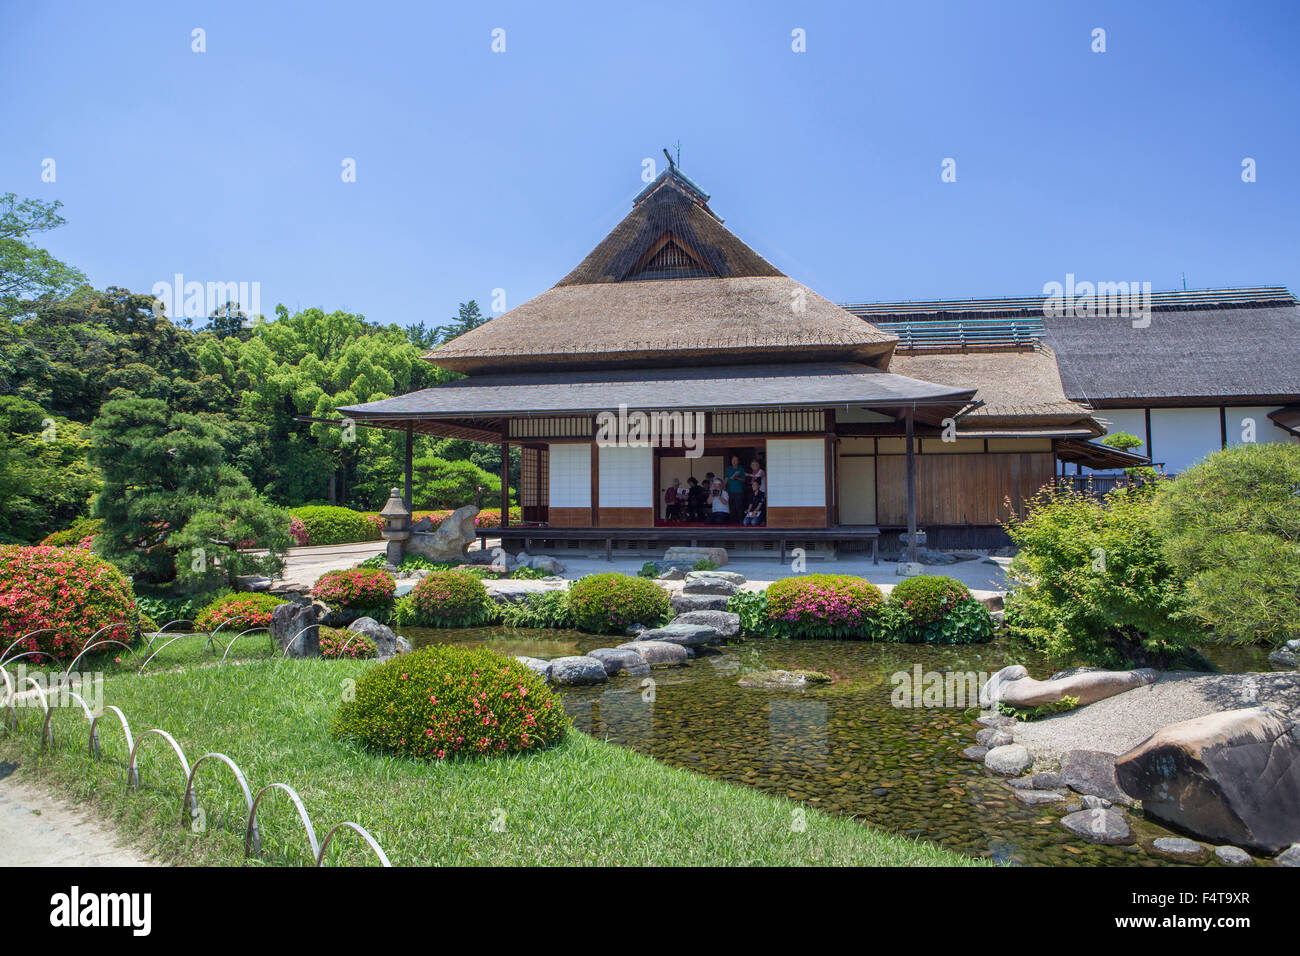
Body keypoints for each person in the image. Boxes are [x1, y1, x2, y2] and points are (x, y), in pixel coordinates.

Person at [725, 455, 747, 523]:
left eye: (735, 460)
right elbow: (726, 479)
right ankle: (733, 521)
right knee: (732, 506)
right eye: (733, 460)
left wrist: (736, 478)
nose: (734, 461)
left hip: (739, 491)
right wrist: (723, 487)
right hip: (730, 490)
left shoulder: (741, 469)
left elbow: (744, 480)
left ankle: (740, 520)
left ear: (738, 461)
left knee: (739, 506)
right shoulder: (728, 469)